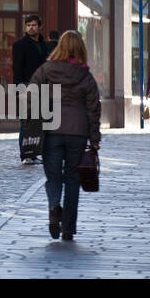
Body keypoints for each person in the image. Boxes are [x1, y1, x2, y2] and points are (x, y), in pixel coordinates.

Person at [32, 31, 101, 241]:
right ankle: (68, 228)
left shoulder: (46, 69)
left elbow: (31, 94)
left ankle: (54, 206)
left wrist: (33, 121)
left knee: (53, 177)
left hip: (51, 131)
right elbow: (93, 108)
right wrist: (94, 138)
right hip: (78, 132)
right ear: (81, 49)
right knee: (72, 179)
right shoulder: (85, 75)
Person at [12, 14, 50, 164]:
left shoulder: (44, 44)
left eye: (33, 25)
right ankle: (25, 154)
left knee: (39, 122)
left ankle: (34, 152)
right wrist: (19, 90)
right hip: (26, 86)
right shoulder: (20, 45)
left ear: (39, 27)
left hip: (43, 87)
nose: (30, 28)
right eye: (28, 25)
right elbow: (17, 69)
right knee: (26, 122)